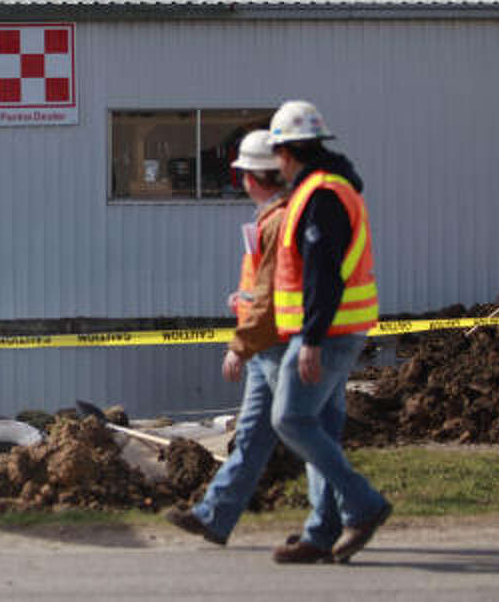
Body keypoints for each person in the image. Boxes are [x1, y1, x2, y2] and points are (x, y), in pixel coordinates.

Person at [266, 100, 391, 564]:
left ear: (287, 151)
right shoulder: (328, 188)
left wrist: (312, 338)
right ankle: (322, 533)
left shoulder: (320, 194)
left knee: (290, 420)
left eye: (277, 151)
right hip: (339, 328)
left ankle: (364, 505)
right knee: (320, 427)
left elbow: (323, 273)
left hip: (327, 332)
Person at [164, 129, 292, 546]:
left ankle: (349, 511)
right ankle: (215, 517)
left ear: (251, 178)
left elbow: (273, 295)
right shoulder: (272, 219)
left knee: (308, 435)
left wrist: (239, 345)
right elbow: (265, 289)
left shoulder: (277, 222)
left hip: (276, 343)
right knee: (255, 434)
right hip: (267, 343)